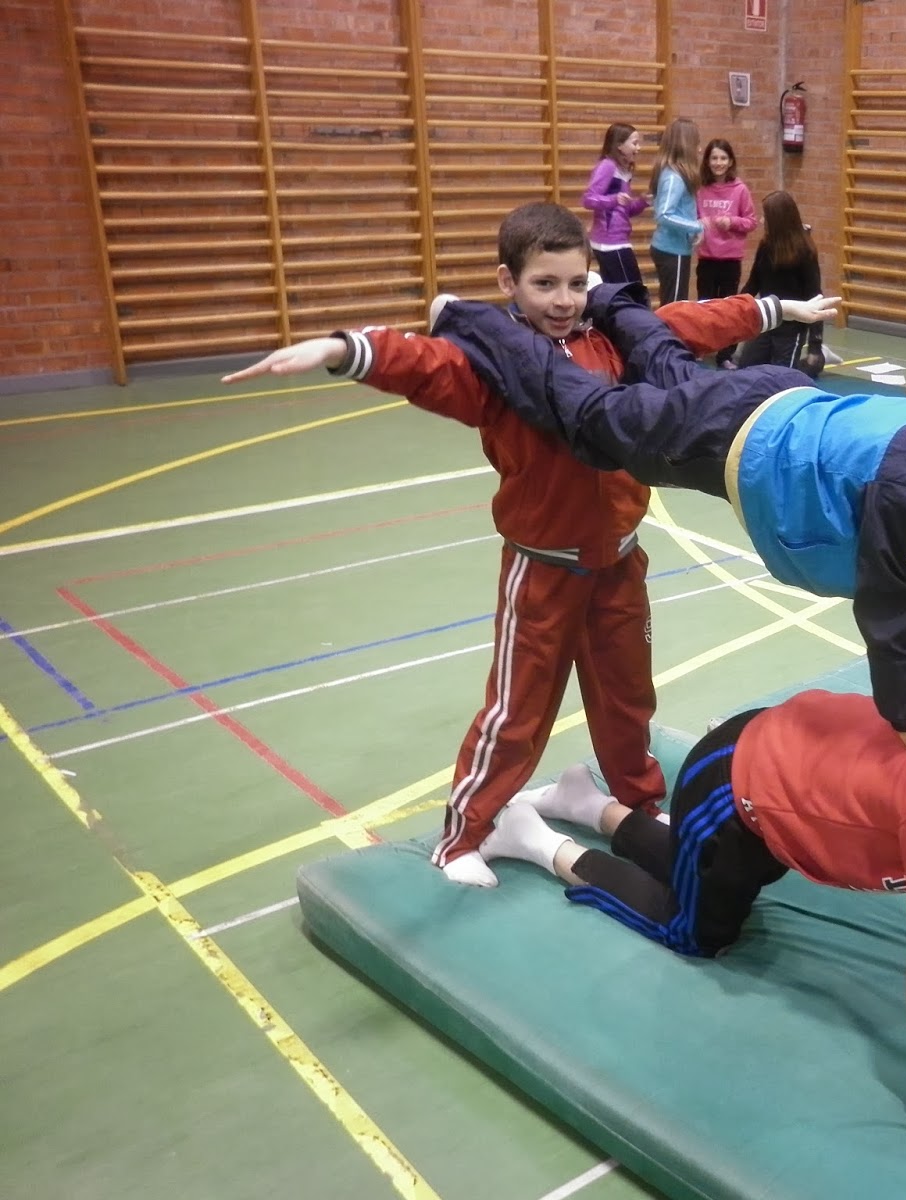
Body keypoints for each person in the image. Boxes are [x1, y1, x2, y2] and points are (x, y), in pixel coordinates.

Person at [221, 203, 833, 889]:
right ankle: (465, 834)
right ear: (508, 282)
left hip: (621, 561)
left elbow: (691, 323)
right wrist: (340, 350)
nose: (564, 301)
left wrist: (778, 311)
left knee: (629, 698)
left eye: (576, 284)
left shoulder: (613, 342)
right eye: (544, 284)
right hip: (543, 573)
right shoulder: (494, 368)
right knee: (516, 715)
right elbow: (423, 363)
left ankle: (636, 803)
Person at [431, 286, 906, 778]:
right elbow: (893, 612)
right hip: (738, 440)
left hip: (773, 401)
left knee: (674, 373)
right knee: (590, 423)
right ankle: (473, 322)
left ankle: (613, 300)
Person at [484, 690, 906, 1175]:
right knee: (695, 931)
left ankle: (585, 800)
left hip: (785, 765)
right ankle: (536, 840)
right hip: (735, 784)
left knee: (717, 875)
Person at [736, 190, 825, 378]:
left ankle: (816, 362)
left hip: (791, 328)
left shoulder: (804, 251)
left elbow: (815, 296)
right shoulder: (766, 246)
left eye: (765, 217)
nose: (761, 221)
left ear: (777, 220)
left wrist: (815, 345)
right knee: (745, 369)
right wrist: (732, 308)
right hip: (767, 319)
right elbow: (753, 283)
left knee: (781, 378)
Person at [695, 139, 757, 367]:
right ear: (707, 161)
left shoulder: (739, 189)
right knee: (704, 305)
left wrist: (731, 221)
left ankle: (725, 354)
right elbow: (693, 218)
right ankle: (701, 347)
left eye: (723, 158)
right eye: (714, 158)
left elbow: (751, 221)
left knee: (727, 308)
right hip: (707, 257)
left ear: (730, 161)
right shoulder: (701, 188)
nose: (718, 163)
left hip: (730, 258)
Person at [583, 123, 649, 286]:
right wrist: (614, 199)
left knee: (622, 292)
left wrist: (643, 201)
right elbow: (588, 199)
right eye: (634, 143)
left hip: (618, 240)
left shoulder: (624, 170)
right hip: (609, 243)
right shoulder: (607, 166)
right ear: (619, 145)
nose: (638, 148)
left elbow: (624, 211)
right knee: (632, 291)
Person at [649, 117, 702, 306]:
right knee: (674, 307)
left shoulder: (675, 174)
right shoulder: (674, 177)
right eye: (696, 143)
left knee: (673, 303)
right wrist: (697, 226)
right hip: (672, 250)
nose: (699, 149)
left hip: (676, 249)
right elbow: (664, 214)